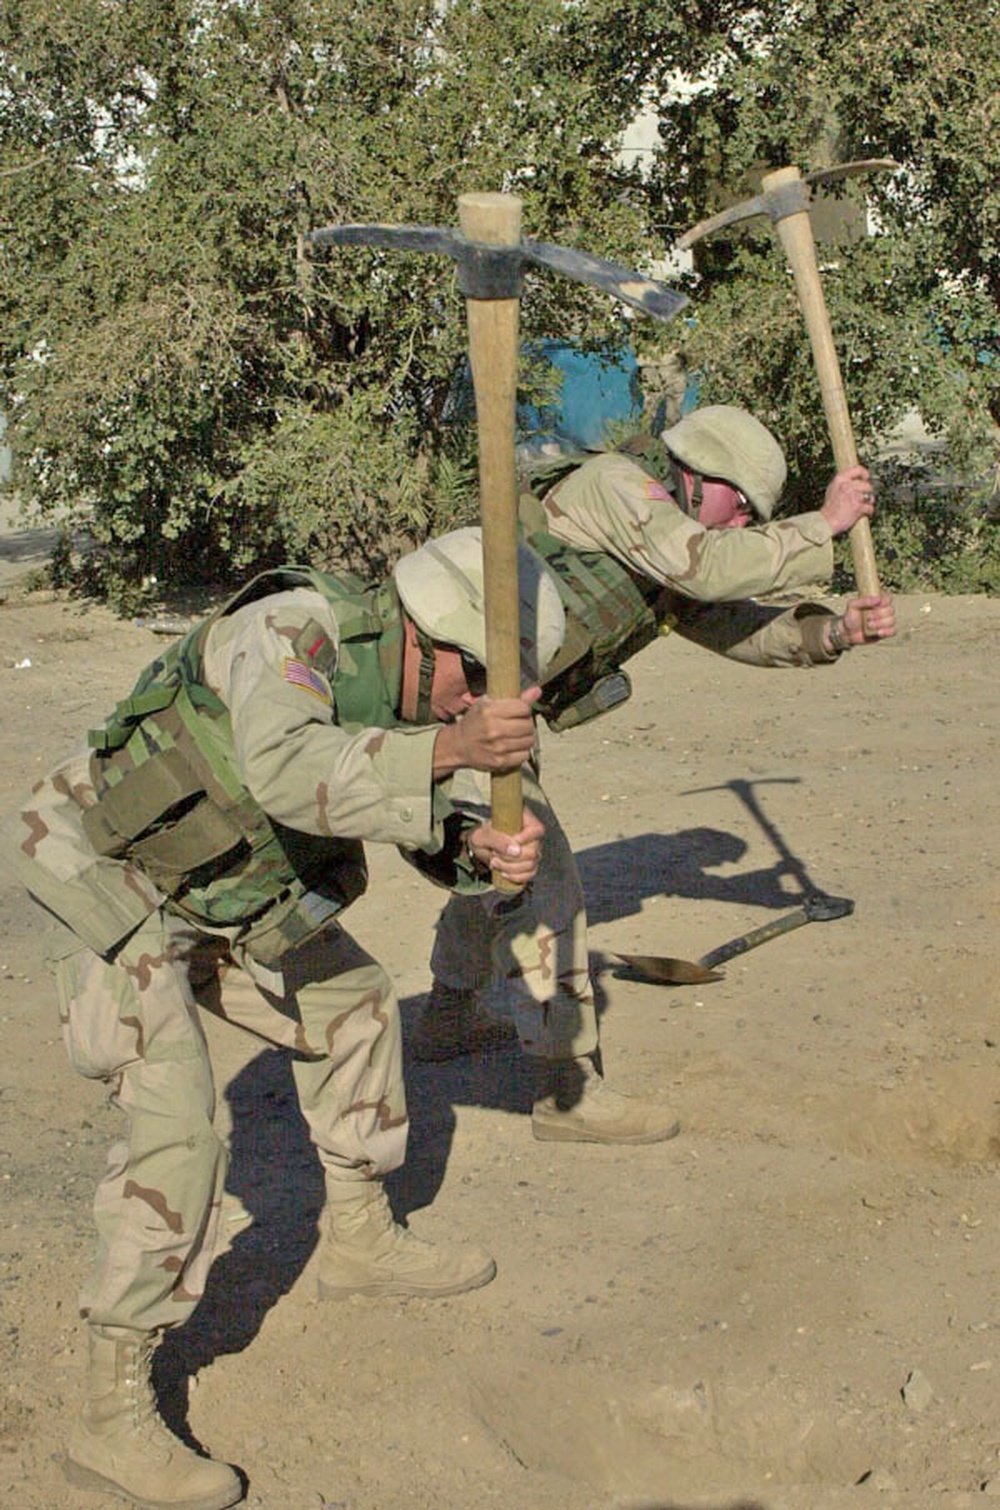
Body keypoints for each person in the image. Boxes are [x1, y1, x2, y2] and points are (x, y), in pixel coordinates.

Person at [0, 530, 630, 1510]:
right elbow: (292, 771)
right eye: (471, 684)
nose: (473, 707)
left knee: (355, 1004)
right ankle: (110, 1407)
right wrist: (454, 748)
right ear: (429, 636)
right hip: (109, 867)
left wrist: (479, 851)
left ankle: (359, 1236)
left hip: (229, 886)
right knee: (180, 1121)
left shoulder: (420, 696)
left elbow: (411, 817)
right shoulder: (292, 630)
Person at [409, 405, 897, 1076]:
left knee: (499, 867)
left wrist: (833, 633)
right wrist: (825, 523)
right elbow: (707, 568)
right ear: (697, 472)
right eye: (742, 504)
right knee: (542, 880)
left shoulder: (673, 539)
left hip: (498, 707)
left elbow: (736, 626)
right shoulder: (617, 485)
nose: (743, 521)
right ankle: (567, 1091)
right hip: (442, 689)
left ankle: (445, 1015)